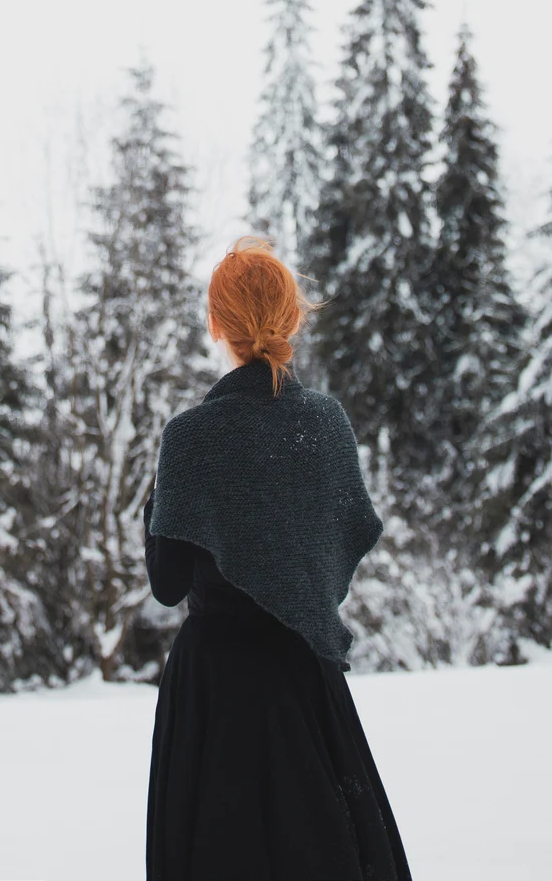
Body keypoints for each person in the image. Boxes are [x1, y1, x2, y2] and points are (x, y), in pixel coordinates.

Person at [143, 236, 413, 881]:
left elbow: (166, 583)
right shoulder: (326, 424)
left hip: (214, 693)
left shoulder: (191, 436)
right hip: (304, 679)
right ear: (292, 319)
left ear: (216, 324)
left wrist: (159, 499)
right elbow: (330, 565)